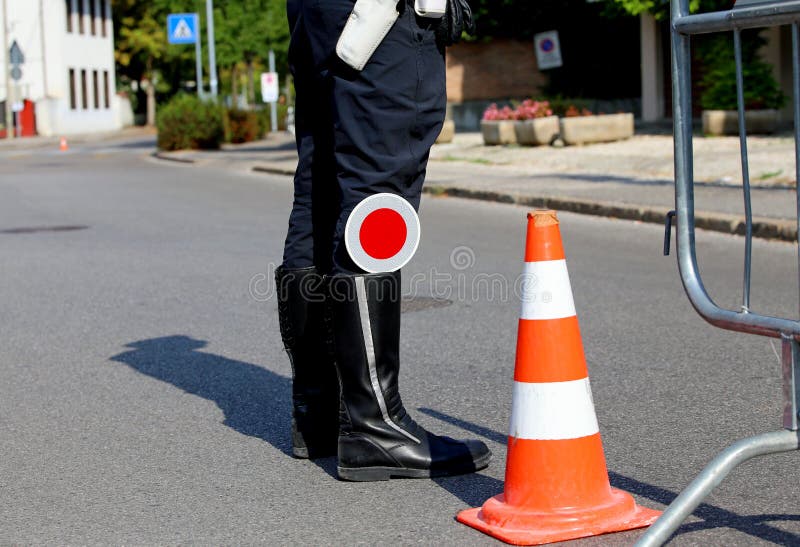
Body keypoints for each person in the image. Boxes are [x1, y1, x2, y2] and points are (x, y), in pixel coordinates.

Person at [275, 0, 490, 481]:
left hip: (318, 15)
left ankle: (320, 410)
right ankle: (375, 425)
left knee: (322, 188)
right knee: (378, 197)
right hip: (381, 15)